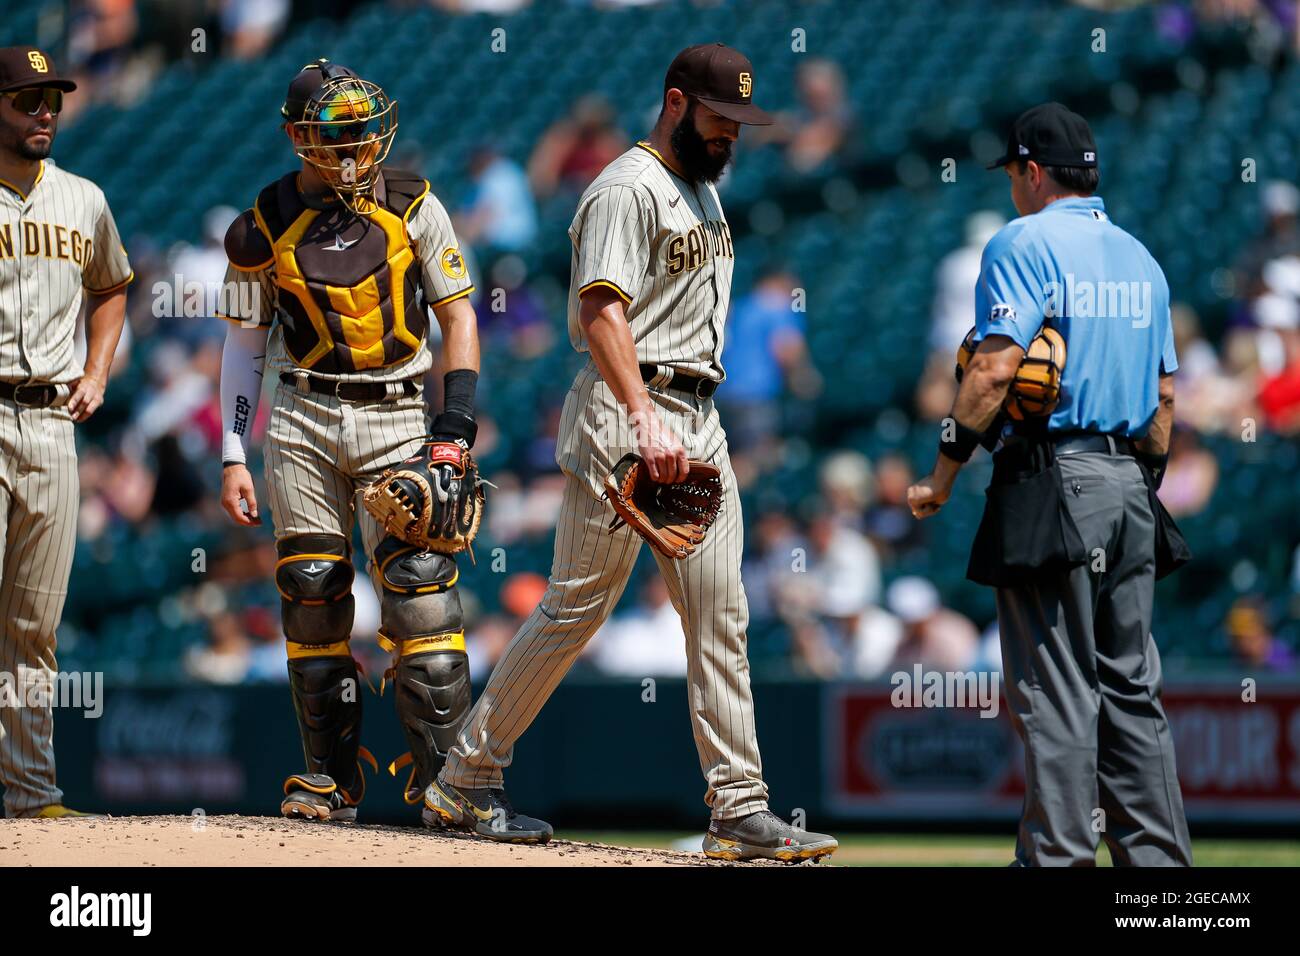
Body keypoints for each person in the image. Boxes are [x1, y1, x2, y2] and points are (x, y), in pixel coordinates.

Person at [423, 43, 838, 862]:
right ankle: (466, 777)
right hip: (629, 409)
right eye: (722, 121)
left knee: (722, 612)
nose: (732, 137)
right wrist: (644, 414)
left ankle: (739, 808)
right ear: (677, 102)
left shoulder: (705, 194)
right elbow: (603, 310)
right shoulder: (626, 187)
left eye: (742, 125)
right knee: (576, 604)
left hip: (699, 413)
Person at [907, 103, 1193, 866]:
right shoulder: (1141, 257)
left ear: (1032, 172)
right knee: (1131, 693)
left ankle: (1057, 862)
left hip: (1053, 477)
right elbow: (1164, 401)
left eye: (1012, 174)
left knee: (1057, 694)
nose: (1011, 188)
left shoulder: (1023, 242)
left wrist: (942, 473)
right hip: (1130, 481)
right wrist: (1138, 485)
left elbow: (996, 367)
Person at [215, 59, 482, 823]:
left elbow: (460, 317)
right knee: (311, 593)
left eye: (364, 128)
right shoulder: (257, 226)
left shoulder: (415, 202)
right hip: (301, 413)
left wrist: (454, 430)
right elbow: (243, 343)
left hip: (400, 409)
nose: (358, 145)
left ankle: (448, 787)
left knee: (422, 590)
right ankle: (328, 782)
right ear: (298, 136)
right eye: (338, 132)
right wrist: (234, 451)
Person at [0, 47, 132, 819]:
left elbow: (112, 285)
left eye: (52, 99)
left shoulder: (84, 199)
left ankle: (30, 791)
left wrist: (97, 371)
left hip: (51, 422)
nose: (44, 111)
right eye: (26, 99)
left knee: (34, 623)